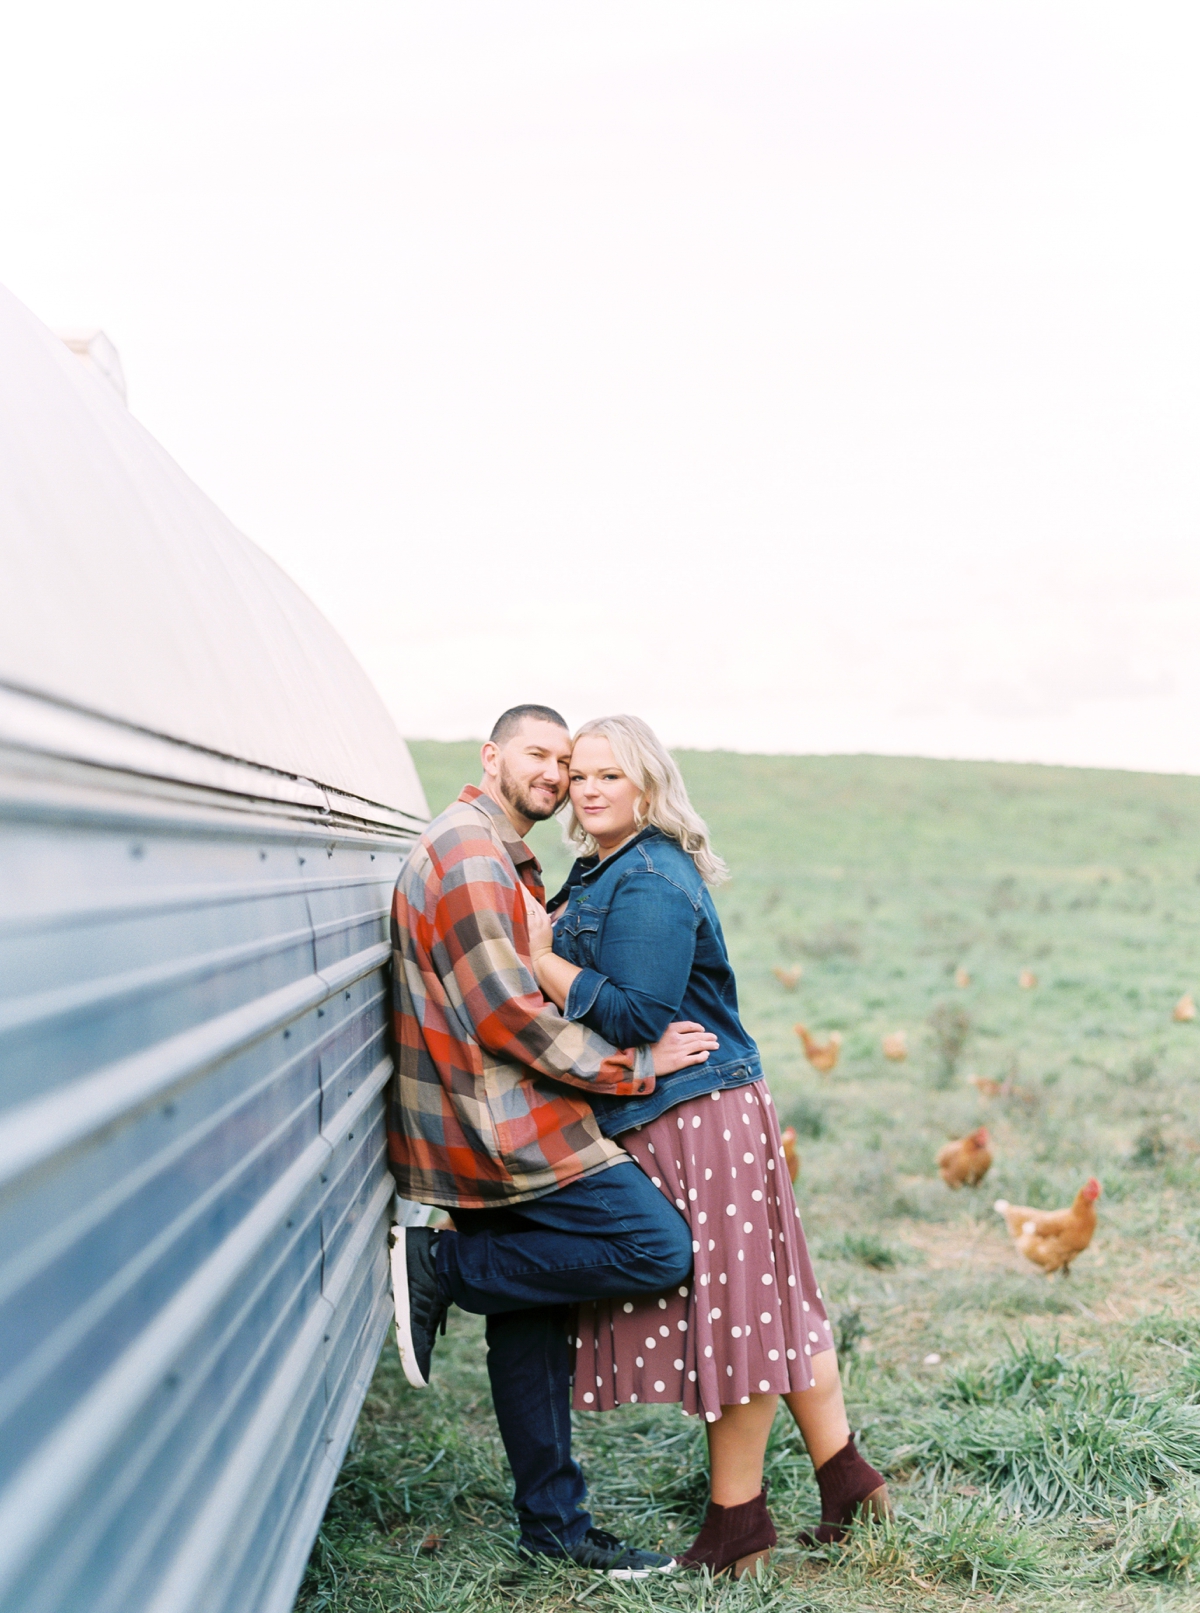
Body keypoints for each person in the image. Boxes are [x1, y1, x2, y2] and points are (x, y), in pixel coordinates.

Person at [527, 714, 890, 1578]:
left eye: (611, 774)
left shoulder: (648, 873)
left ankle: (739, 1524)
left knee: (735, 1313)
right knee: (768, 1299)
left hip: (699, 1115)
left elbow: (638, 1015)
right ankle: (848, 1481)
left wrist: (540, 958)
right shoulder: (604, 866)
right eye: (580, 773)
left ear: (648, 785)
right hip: (701, 1108)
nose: (589, 787)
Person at [386, 704, 719, 1578]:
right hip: (502, 1125)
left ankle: (553, 1526)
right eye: (539, 755)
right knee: (655, 1246)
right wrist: (633, 1066)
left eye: (566, 763)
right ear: (491, 755)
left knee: (529, 1316)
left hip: (484, 1115)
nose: (556, 775)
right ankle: (441, 1268)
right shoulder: (468, 850)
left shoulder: (501, 852)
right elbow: (506, 1012)